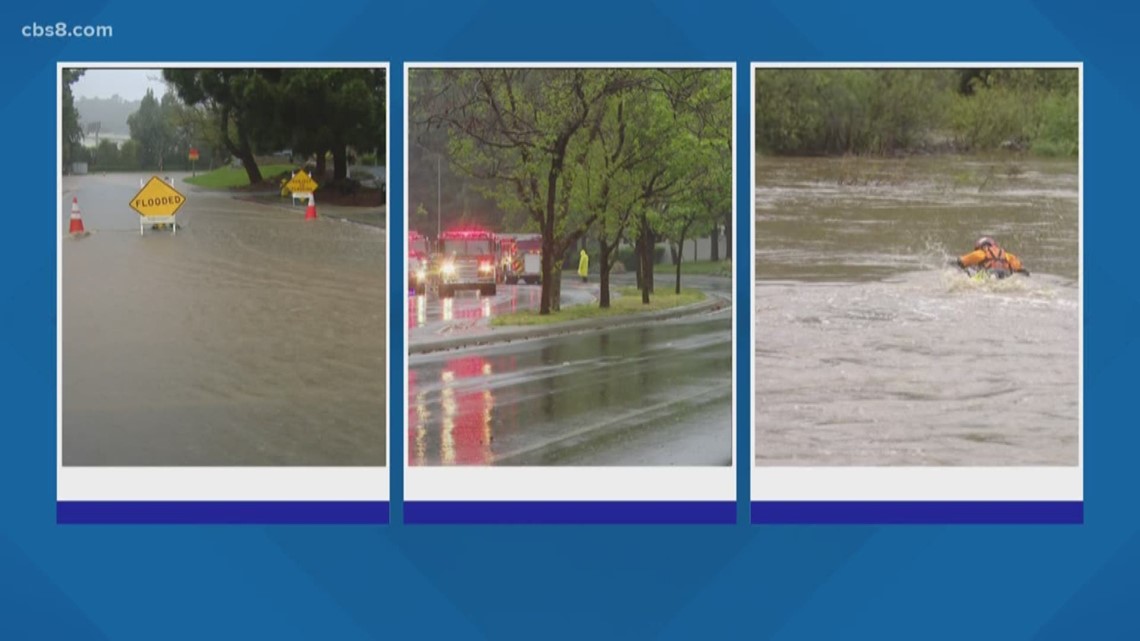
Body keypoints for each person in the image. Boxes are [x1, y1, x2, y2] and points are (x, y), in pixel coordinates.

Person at [955, 236, 1029, 278]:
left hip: (989, 277)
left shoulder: (980, 253)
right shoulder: (1008, 255)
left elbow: (961, 262)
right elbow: (1022, 270)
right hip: (1004, 277)